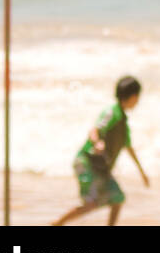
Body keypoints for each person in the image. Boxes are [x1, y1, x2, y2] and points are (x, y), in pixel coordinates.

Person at [51, 76, 149, 226]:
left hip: (100, 167)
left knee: (117, 198)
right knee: (91, 203)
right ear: (134, 96)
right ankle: (57, 224)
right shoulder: (112, 113)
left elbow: (129, 148)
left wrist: (142, 173)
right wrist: (97, 143)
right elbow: (94, 130)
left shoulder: (123, 122)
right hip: (87, 163)